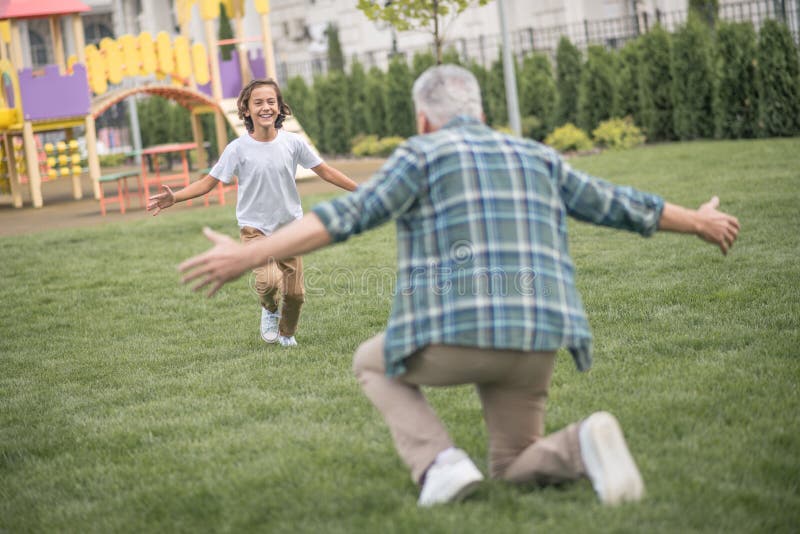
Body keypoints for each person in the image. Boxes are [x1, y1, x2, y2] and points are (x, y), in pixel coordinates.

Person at [177, 65, 740, 506]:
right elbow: (617, 203)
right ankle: (581, 445)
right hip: (540, 338)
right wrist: (700, 220)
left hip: (459, 333)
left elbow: (343, 218)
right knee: (513, 463)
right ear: (482, 111)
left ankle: (440, 465)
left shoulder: (420, 154)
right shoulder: (534, 153)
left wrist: (247, 254)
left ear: (423, 119)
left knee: (372, 363)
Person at [148, 78, 358, 347]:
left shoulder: (293, 143)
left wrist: (361, 190)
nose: (266, 107)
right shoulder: (237, 149)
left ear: (280, 107)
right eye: (258, 102)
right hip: (255, 229)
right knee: (269, 281)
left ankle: (287, 333)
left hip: (290, 230)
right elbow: (208, 183)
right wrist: (174, 197)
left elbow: (326, 171)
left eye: (271, 101)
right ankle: (270, 310)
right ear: (246, 110)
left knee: (295, 294)